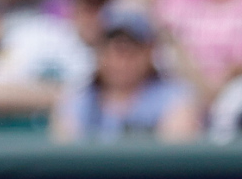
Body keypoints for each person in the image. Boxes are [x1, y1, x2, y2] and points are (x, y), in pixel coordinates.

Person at [50, 10, 200, 143]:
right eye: (112, 50)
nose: (120, 61)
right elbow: (65, 153)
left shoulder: (174, 97)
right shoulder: (78, 99)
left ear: (148, 53)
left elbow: (172, 159)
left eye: (129, 51)